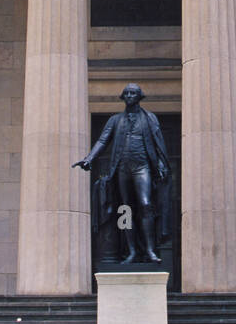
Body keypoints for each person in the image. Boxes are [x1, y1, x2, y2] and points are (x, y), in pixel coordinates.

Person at [73, 84, 170, 263]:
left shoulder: (149, 119)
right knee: (125, 209)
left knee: (146, 204)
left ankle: (149, 250)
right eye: (126, 93)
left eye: (133, 93)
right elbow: (103, 141)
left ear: (140, 96)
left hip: (142, 167)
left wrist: (162, 164)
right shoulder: (115, 120)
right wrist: (89, 158)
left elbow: (158, 144)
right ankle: (132, 251)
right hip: (122, 168)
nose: (129, 96)